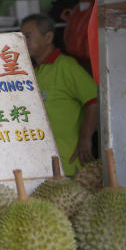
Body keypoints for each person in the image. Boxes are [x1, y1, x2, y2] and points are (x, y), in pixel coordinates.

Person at [21, 13, 98, 176]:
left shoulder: (66, 66)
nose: (23, 41)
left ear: (48, 37)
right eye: (22, 37)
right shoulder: (32, 72)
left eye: (28, 36)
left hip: (70, 163)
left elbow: (93, 101)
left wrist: (85, 139)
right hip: (43, 165)